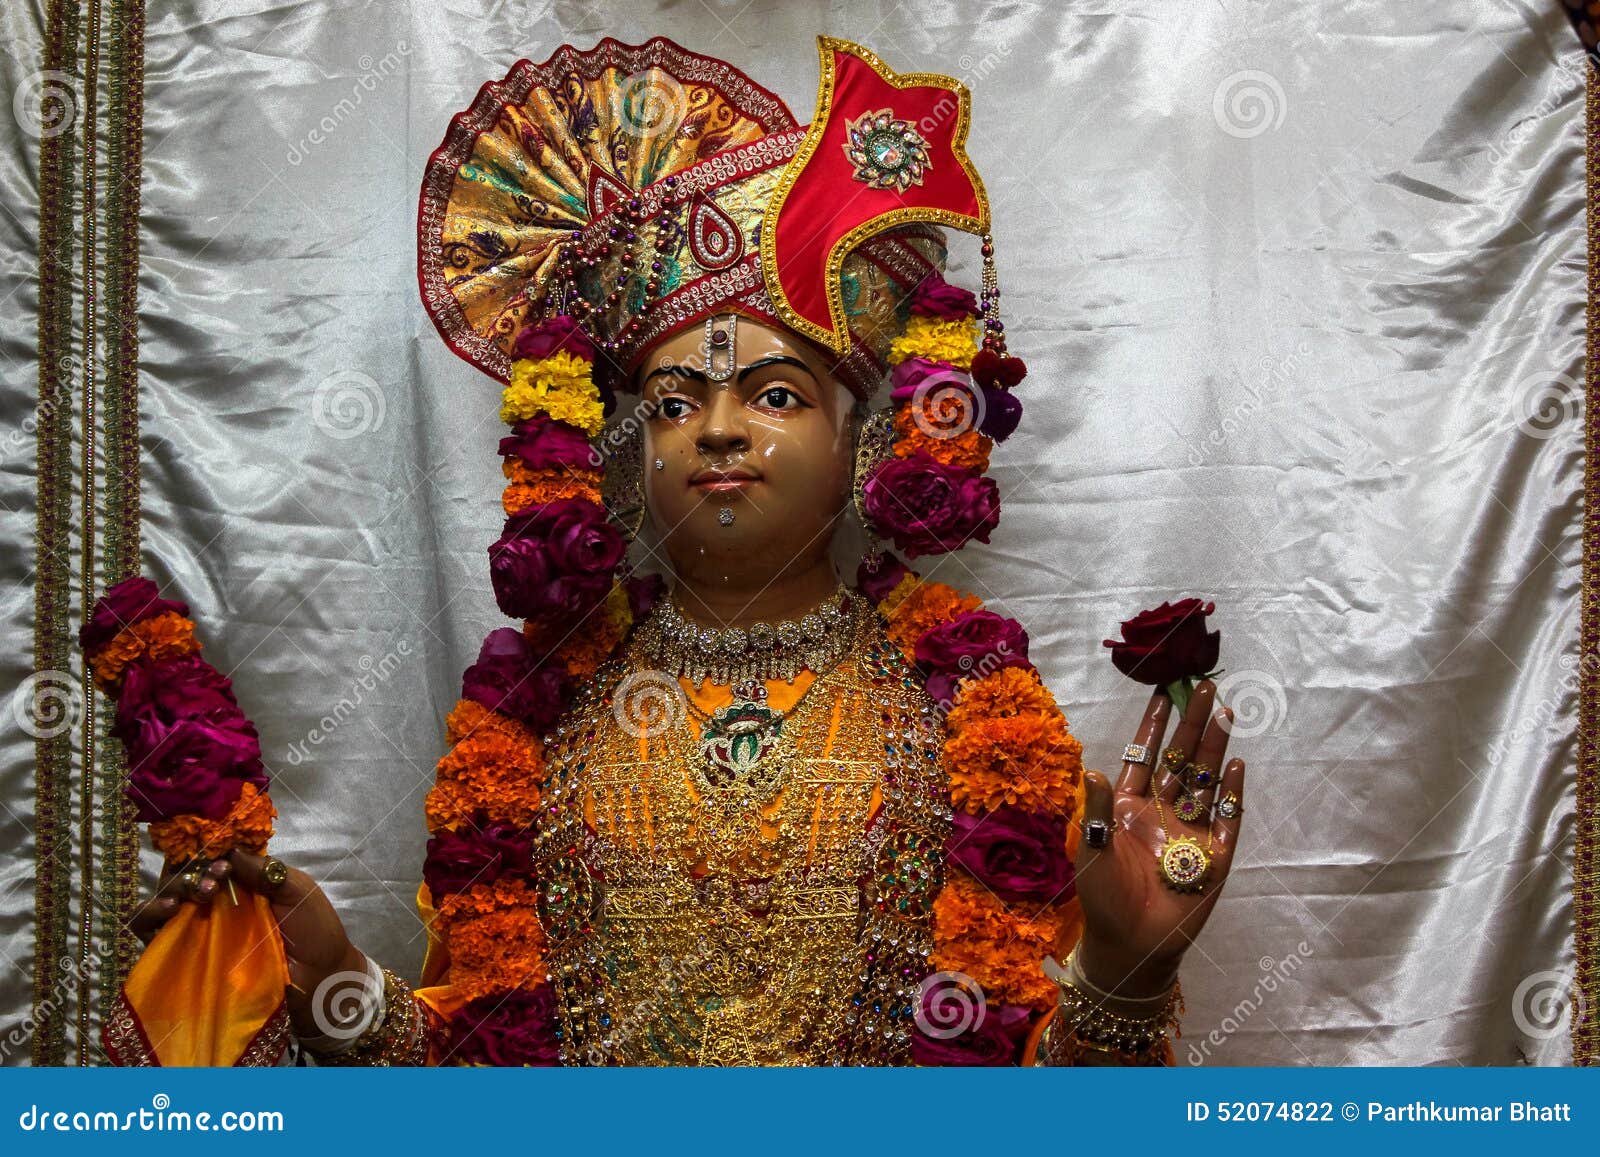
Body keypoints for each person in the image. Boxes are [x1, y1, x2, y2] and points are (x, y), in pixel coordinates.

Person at [129, 35, 1248, 1067]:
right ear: (628, 452)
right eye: (675, 400)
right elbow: (481, 1081)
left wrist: (1126, 971)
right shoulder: (543, 716)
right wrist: (331, 972)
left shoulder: (964, 713)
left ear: (859, 439)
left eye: (771, 393)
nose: (718, 429)